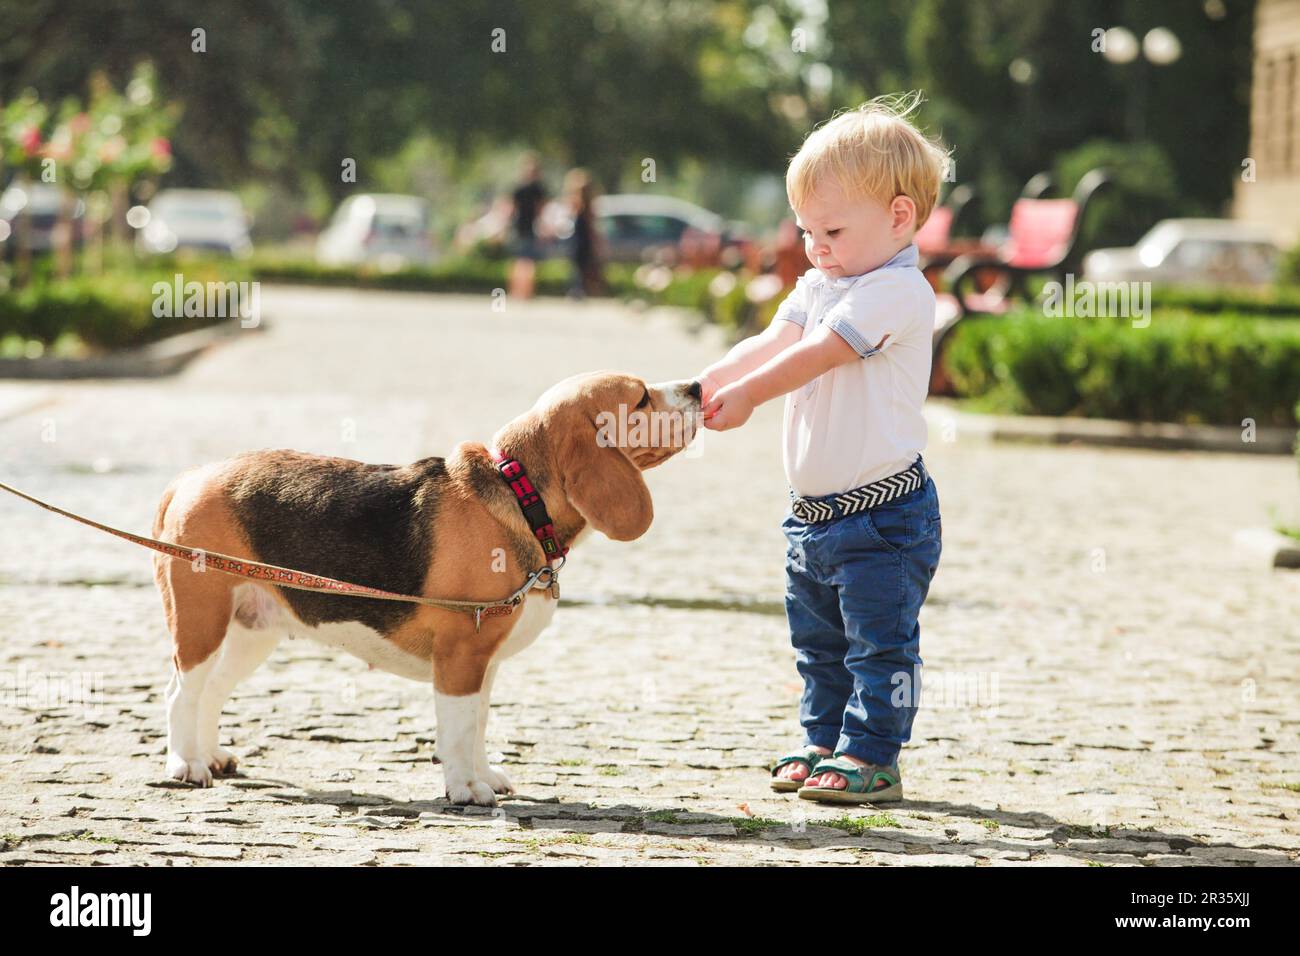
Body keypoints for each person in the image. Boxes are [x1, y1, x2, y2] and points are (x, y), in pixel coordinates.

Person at [693, 93, 947, 804]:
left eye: (832, 229)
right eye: (807, 230)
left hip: (883, 516)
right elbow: (774, 342)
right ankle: (823, 737)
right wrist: (708, 382)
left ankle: (872, 752)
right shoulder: (820, 281)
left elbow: (820, 354)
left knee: (878, 645)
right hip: (812, 517)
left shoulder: (898, 292)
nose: (817, 247)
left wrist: (750, 398)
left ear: (899, 217)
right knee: (819, 646)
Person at [507, 153, 548, 300]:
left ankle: (524, 291)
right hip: (521, 228)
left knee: (525, 261)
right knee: (522, 261)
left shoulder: (534, 189)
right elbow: (512, 209)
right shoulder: (523, 189)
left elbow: (540, 210)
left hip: (528, 228)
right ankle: (520, 291)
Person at [563, 168, 604, 299]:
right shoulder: (584, 203)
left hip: (578, 239)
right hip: (581, 239)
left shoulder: (578, 203)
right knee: (581, 265)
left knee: (579, 266)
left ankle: (577, 290)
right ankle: (579, 290)